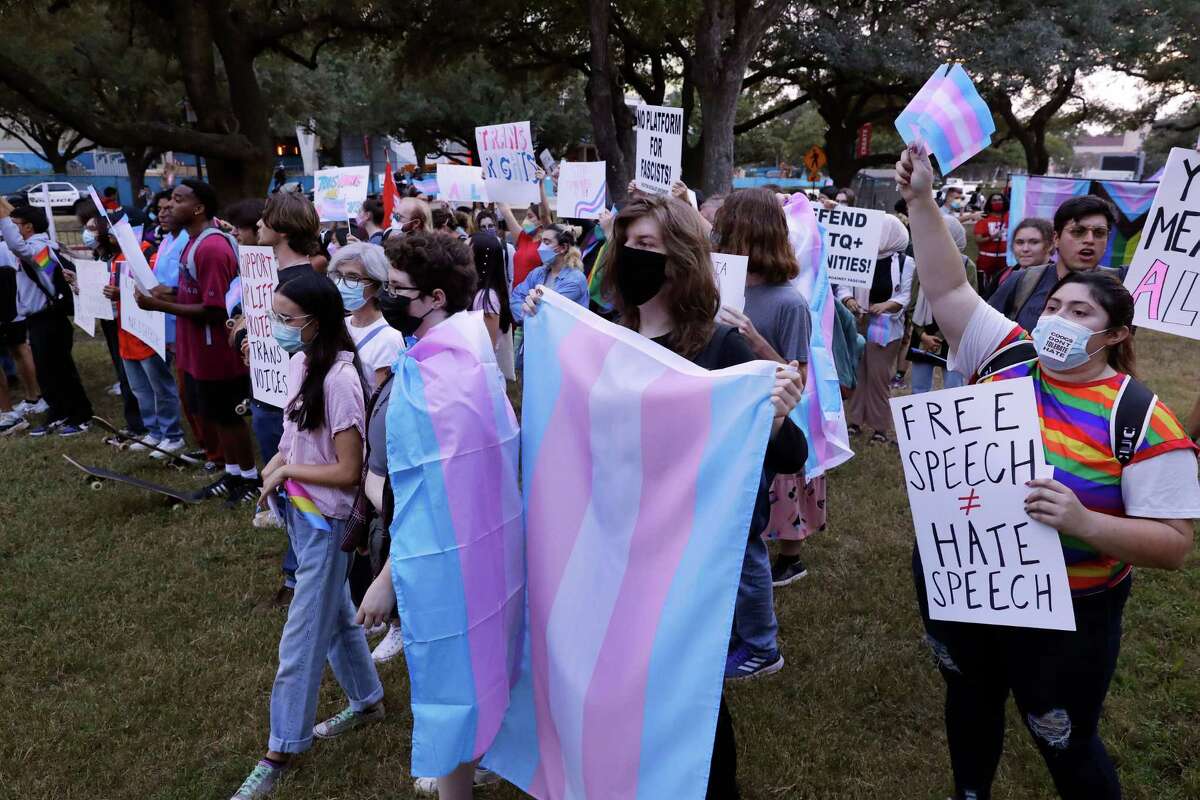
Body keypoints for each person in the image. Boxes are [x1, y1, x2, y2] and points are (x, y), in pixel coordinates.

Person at [896, 141, 1200, 800]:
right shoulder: (1006, 353)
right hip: (968, 583)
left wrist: (1085, 521)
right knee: (969, 700)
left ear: (1116, 335)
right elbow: (947, 286)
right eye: (1056, 307)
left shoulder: (1141, 419)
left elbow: (1175, 545)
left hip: (1072, 614)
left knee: (1062, 737)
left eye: (1080, 313)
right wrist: (920, 199)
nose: (1059, 320)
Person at [520, 194, 807, 799]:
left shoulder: (719, 347)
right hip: (605, 538)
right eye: (626, 243)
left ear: (680, 258)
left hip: (679, 555)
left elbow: (791, 455)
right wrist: (547, 327)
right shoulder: (606, 335)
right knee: (604, 678)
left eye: (648, 245)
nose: (633, 255)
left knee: (683, 687)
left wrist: (776, 417)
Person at [228, 271, 384, 800]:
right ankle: (368, 700)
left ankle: (280, 749)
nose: (276, 326)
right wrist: (276, 466)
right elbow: (295, 437)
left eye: (286, 319)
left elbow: (348, 470)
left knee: (300, 637)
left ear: (316, 323)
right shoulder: (300, 363)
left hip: (328, 523)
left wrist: (289, 471)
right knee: (334, 614)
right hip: (300, 513)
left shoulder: (341, 380)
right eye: (274, 315)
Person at [711, 188, 816, 642]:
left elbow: (798, 382)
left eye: (725, 224)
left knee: (742, 535)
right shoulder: (716, 285)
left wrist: (752, 339)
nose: (716, 232)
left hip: (756, 431)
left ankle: (758, 641)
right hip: (714, 423)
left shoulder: (789, 303)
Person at [137, 180, 258, 503]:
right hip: (197, 351)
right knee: (215, 415)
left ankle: (250, 479)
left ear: (199, 208)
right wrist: (170, 292)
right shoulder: (192, 242)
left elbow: (216, 309)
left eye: (178, 200)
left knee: (228, 415)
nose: (169, 206)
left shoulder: (212, 248)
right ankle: (232, 473)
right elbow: (197, 292)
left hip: (216, 351)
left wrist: (158, 305)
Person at [250, 191, 324, 607]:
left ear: (282, 228)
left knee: (299, 489)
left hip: (292, 402)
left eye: (266, 217)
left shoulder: (303, 283)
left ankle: (303, 574)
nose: (259, 224)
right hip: (274, 393)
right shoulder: (282, 277)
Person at [93, 211, 186, 456]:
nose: (110, 234)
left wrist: (121, 293)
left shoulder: (148, 253)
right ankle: (154, 431)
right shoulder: (115, 256)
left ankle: (172, 435)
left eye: (115, 229)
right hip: (126, 332)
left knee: (160, 386)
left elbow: (154, 290)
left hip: (147, 332)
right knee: (140, 389)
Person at [0, 199, 94, 436]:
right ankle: (59, 413)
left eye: (15, 225)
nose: (11, 229)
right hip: (37, 320)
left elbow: (19, 247)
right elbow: (44, 272)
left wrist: (2, 216)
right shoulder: (37, 250)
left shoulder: (39, 248)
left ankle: (81, 416)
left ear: (28, 227)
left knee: (62, 370)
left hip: (50, 319)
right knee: (46, 373)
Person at [988, 196, 1120, 332]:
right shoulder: (1021, 281)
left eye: (1099, 233)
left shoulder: (1120, 285)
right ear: (1056, 239)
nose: (1089, 240)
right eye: (1078, 232)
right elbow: (985, 332)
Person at [837, 214, 913, 443]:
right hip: (858, 322)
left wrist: (886, 306)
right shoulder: (858, 255)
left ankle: (879, 427)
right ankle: (854, 421)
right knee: (858, 373)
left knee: (879, 376)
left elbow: (905, 295)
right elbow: (843, 284)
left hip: (886, 326)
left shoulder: (905, 263)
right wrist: (849, 299)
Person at [907, 216, 977, 395]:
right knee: (919, 390)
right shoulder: (922, 264)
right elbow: (912, 304)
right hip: (923, 333)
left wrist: (941, 336)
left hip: (954, 337)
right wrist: (923, 335)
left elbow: (970, 306)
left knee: (954, 391)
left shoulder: (966, 266)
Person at [328, 242, 405, 390]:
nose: (342, 283)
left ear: (377, 285)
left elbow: (381, 399)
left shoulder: (388, 338)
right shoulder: (339, 325)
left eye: (353, 277)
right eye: (338, 275)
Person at [0, 240, 45, 435]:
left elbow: (47, 267)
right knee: (19, 348)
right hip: (17, 308)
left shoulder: (29, 245)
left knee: (20, 348)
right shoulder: (11, 245)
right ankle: (33, 397)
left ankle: (9, 412)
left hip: (13, 308)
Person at [510, 225, 589, 319]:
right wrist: (525, 313)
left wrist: (529, 313)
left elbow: (548, 313)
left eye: (546, 242)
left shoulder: (575, 280)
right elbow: (516, 297)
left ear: (563, 247)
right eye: (541, 242)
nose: (540, 248)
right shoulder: (538, 272)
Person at [469, 231, 516, 381]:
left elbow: (488, 346)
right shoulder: (479, 292)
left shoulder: (487, 299)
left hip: (481, 376)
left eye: (467, 252)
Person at [496, 166, 552, 287]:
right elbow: (505, 209)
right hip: (516, 295)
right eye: (526, 216)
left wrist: (540, 185)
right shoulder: (522, 237)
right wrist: (491, 182)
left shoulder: (548, 240)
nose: (526, 220)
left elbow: (545, 215)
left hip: (534, 295)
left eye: (530, 216)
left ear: (540, 221)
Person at [991, 217, 1054, 293]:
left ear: (1049, 245)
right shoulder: (1004, 275)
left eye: (1034, 242)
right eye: (1020, 242)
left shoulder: (1057, 279)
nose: (1025, 249)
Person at [973, 192, 1009, 293]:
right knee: (984, 288)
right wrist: (992, 237)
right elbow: (978, 239)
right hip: (986, 260)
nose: (997, 202)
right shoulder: (984, 219)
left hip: (1005, 259)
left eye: (1000, 200)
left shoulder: (1010, 217)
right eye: (994, 200)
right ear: (990, 203)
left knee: (1003, 287)